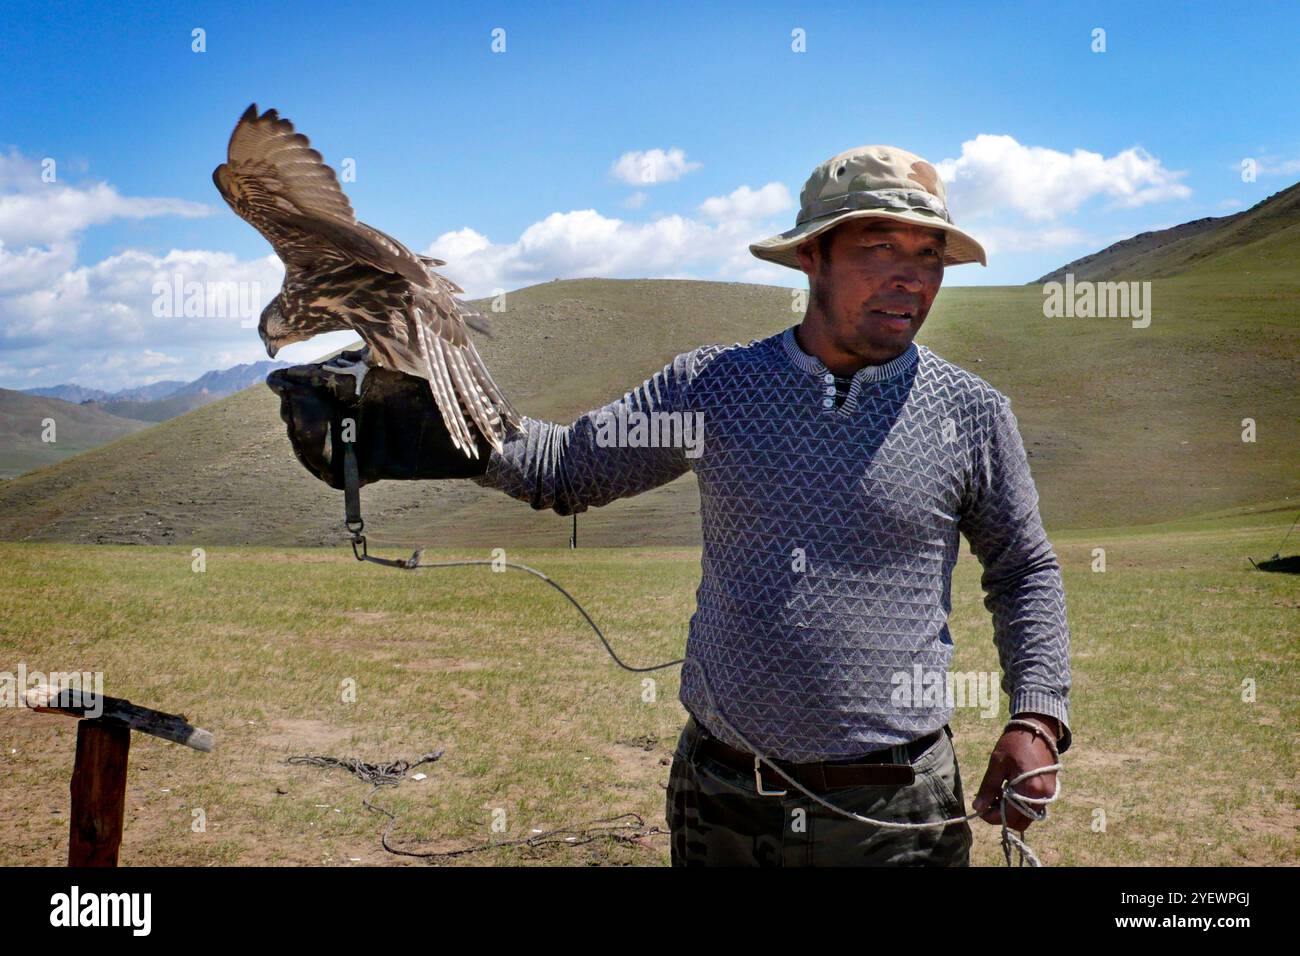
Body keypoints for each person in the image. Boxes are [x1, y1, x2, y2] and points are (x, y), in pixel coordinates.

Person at [269, 144, 1071, 867]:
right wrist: (436, 424)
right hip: (722, 804)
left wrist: (1036, 718)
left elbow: (1024, 566)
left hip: (896, 812)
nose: (911, 277)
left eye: (929, 256)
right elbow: (565, 469)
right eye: (880, 248)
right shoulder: (714, 387)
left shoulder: (970, 414)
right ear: (812, 258)